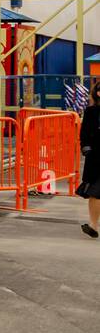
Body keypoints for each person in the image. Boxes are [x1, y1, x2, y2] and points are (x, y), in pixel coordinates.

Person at [79, 82, 100, 239]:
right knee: (95, 192)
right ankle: (93, 225)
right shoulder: (91, 111)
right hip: (96, 157)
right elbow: (84, 132)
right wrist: (86, 148)